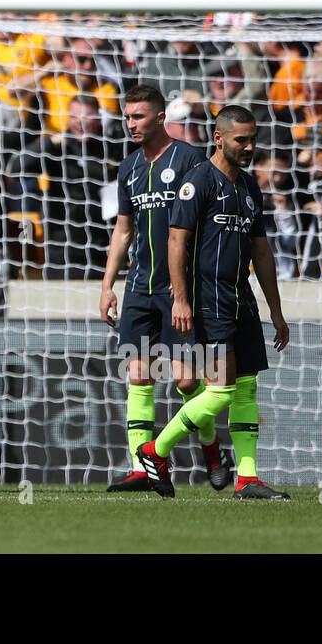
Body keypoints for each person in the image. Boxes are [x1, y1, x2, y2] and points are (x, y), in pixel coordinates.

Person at [137, 104, 291, 500]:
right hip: (208, 302)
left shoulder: (249, 187)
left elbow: (262, 251)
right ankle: (156, 449)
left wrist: (275, 309)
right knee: (219, 391)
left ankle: (247, 478)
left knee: (246, 390)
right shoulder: (198, 182)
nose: (249, 146)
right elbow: (176, 241)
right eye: (241, 139)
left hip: (242, 300)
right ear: (218, 138)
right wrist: (181, 300)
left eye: (253, 138)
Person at [99, 85, 227, 492]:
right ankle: (144, 467)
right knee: (138, 375)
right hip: (139, 287)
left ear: (159, 118)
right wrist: (107, 287)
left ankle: (212, 449)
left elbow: (204, 225)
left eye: (138, 116)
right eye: (127, 116)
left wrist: (193, 289)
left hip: (179, 290)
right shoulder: (129, 168)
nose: (130, 124)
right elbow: (123, 231)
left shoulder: (190, 160)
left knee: (188, 382)